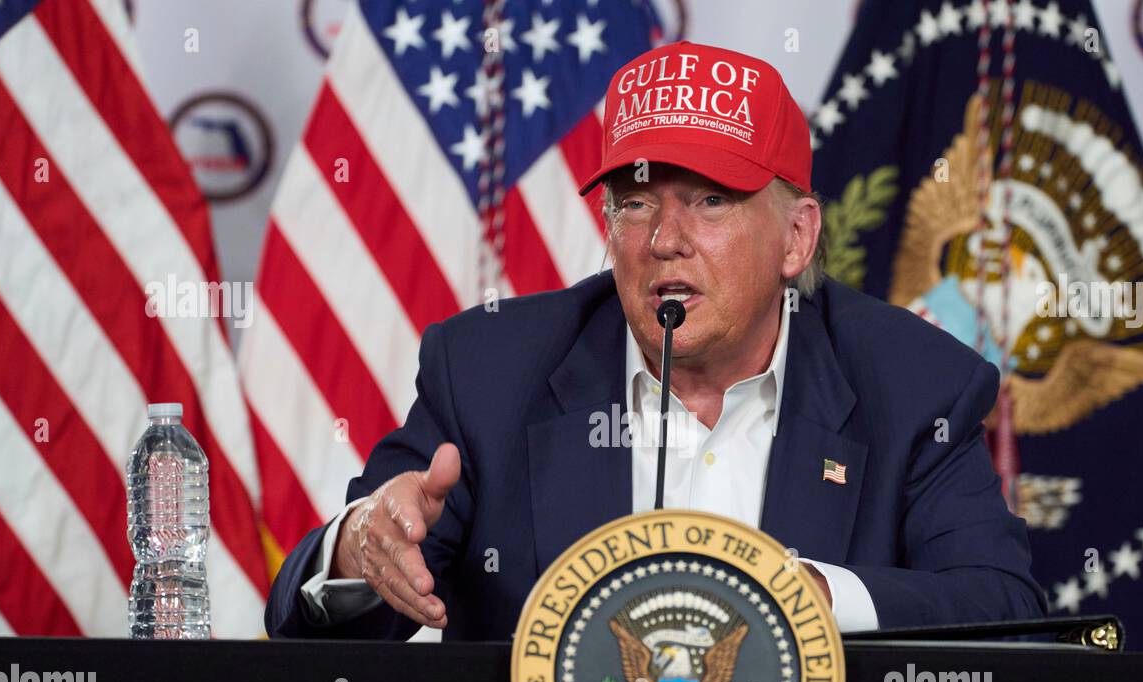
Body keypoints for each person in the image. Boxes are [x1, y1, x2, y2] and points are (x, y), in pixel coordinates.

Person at [265, 41, 1046, 642]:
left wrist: (812, 596)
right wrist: (359, 552)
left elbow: (1004, 607)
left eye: (710, 201)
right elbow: (326, 626)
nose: (664, 240)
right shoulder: (489, 372)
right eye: (634, 203)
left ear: (797, 238)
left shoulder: (913, 384)